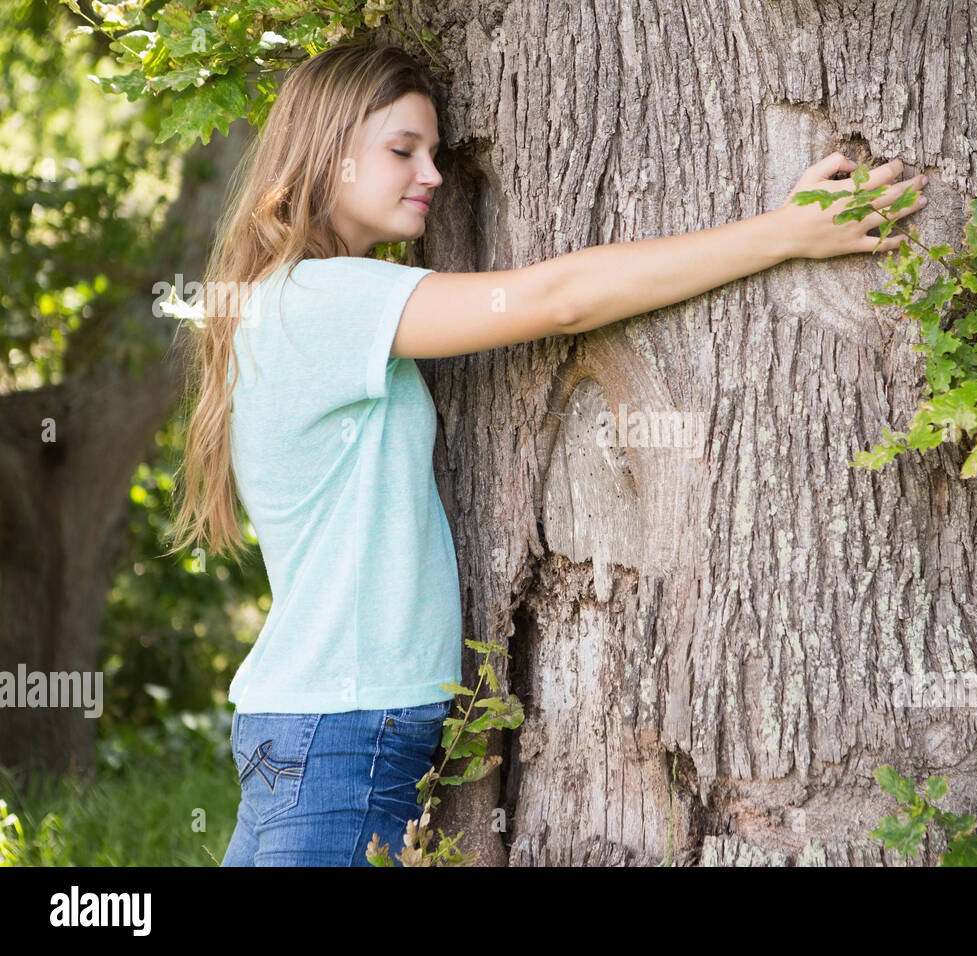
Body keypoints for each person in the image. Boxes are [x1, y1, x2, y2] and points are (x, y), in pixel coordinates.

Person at [164, 40, 929, 867]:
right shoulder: (323, 298)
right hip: (342, 738)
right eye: (401, 151)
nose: (431, 175)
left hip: (326, 733)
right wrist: (783, 234)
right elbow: (559, 300)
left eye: (433, 153)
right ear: (326, 154)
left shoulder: (305, 297)